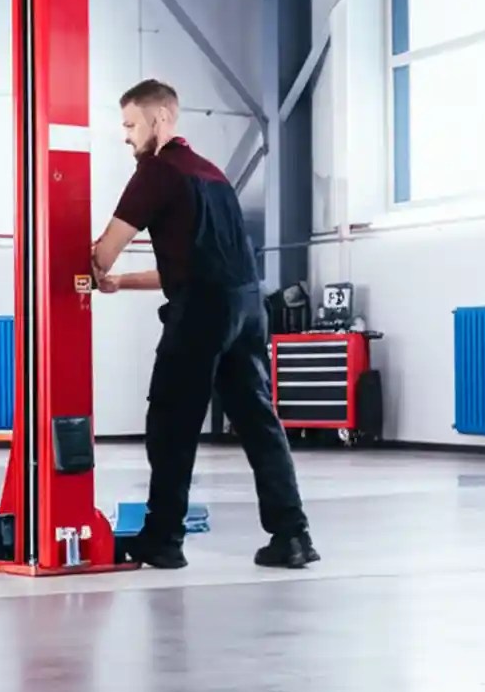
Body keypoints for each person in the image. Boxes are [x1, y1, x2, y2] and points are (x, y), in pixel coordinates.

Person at [90, 79, 318, 569]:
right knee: (259, 423)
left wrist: (90, 264)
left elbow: (103, 253)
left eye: (131, 125)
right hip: (246, 309)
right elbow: (195, 266)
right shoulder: (213, 175)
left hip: (201, 313)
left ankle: (163, 538)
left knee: (170, 422)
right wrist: (122, 283)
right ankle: (293, 536)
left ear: (159, 118)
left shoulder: (156, 171)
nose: (126, 136)